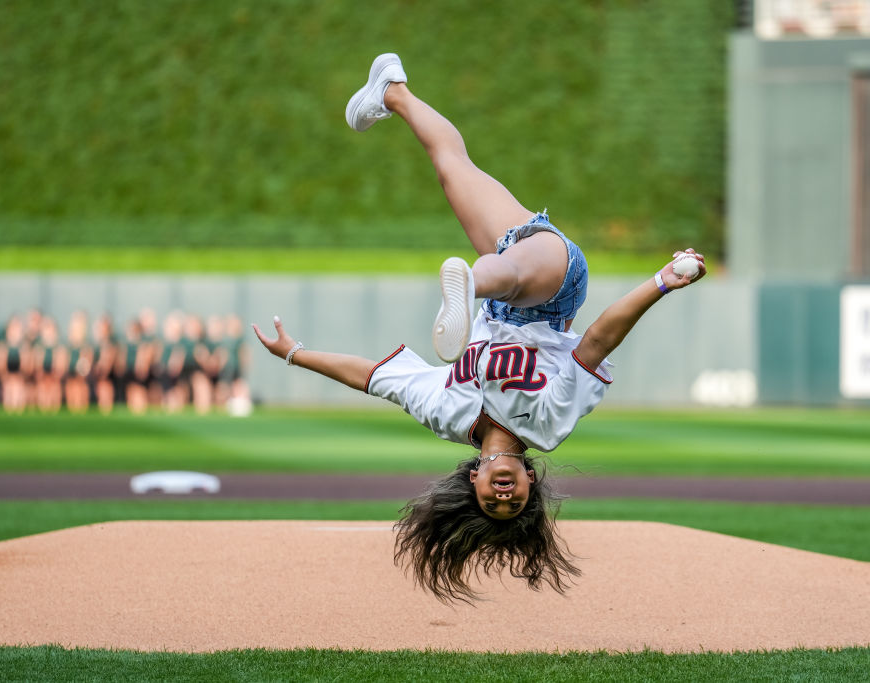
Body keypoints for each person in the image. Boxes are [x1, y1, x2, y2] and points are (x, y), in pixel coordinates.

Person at [253, 54, 706, 603]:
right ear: (529, 482)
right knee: (506, 278)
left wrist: (295, 353)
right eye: (513, 503)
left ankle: (392, 90)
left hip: (505, 275)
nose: (503, 498)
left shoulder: (448, 413)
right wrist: (659, 282)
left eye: (492, 503)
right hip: (555, 284)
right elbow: (597, 341)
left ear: (474, 481)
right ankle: (469, 284)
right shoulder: (547, 426)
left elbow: (373, 377)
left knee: (451, 168)